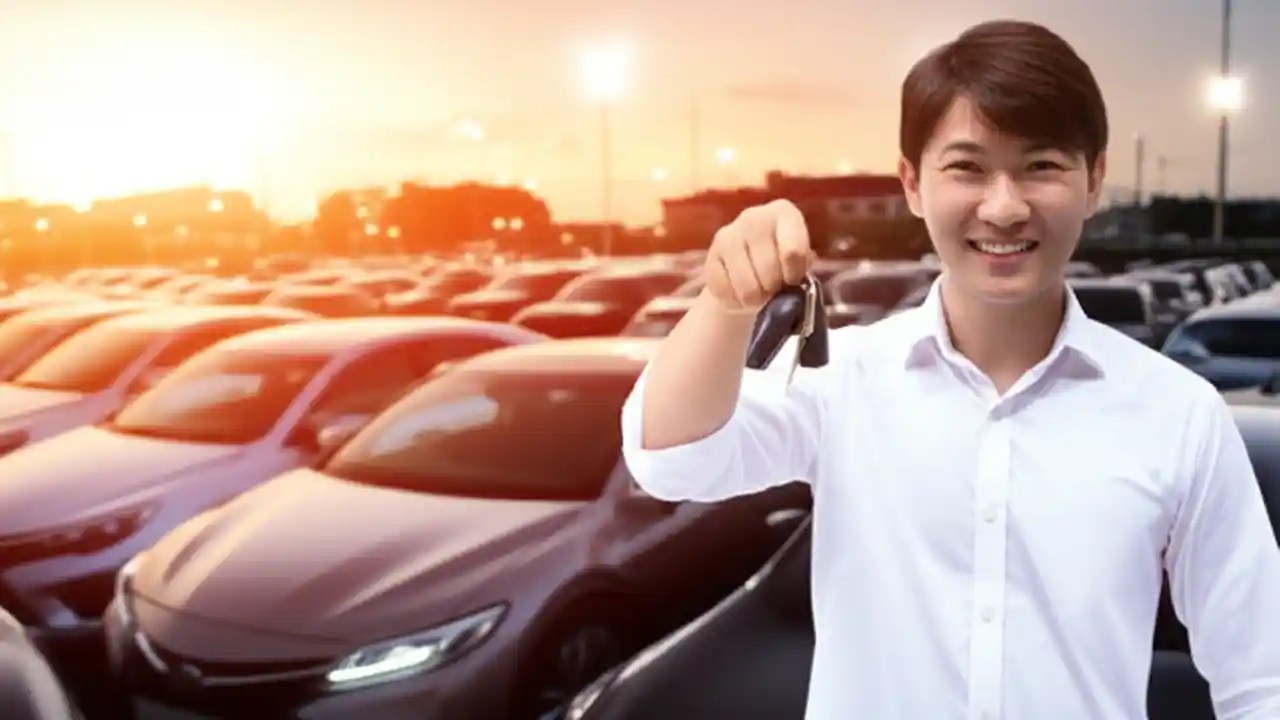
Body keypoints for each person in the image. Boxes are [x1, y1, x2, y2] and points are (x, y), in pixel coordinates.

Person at [620, 18, 1280, 720]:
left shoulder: (1178, 412)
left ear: (1094, 182)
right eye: (967, 167)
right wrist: (724, 300)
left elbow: (1261, 676)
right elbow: (672, 460)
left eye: (1042, 165)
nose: (1004, 206)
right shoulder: (843, 378)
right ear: (912, 183)